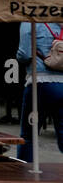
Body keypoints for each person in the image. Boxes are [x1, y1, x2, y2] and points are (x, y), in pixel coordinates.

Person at [17, 21, 63, 162]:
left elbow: (24, 54)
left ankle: (25, 178)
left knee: (28, 135)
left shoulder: (30, 21)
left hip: (39, 82)